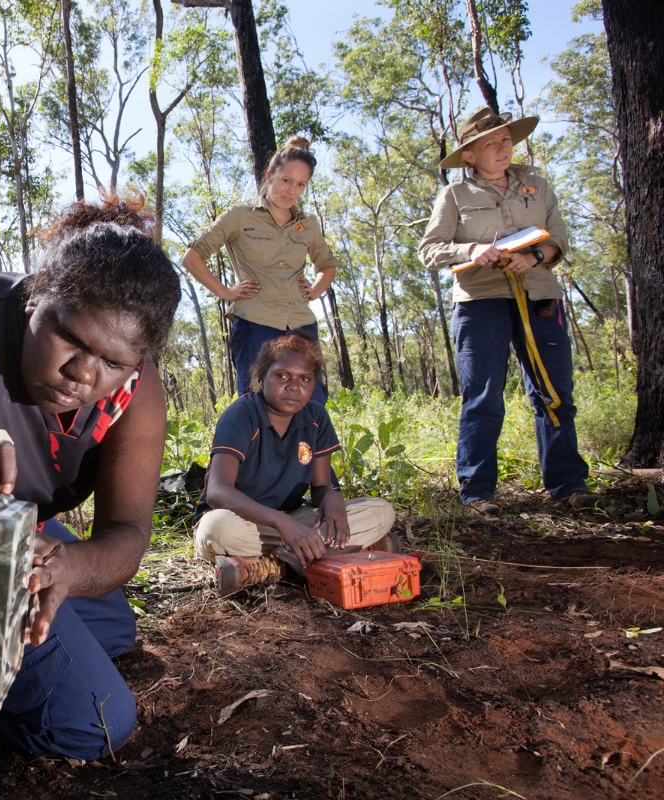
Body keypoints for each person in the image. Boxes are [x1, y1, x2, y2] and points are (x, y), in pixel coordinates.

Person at [0, 190, 182, 761]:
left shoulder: (135, 393)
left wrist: (67, 570)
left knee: (114, 623)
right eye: (69, 337)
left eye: (113, 362)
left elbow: (128, 535)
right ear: (35, 297)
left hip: (14, 545)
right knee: (99, 724)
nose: (82, 374)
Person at [418, 107, 599, 517]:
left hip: (538, 295)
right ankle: (477, 491)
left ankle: (568, 483)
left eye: (506, 140)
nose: (503, 148)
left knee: (554, 392)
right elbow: (429, 250)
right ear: (469, 155)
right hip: (480, 302)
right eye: (491, 144)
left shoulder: (535, 184)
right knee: (483, 396)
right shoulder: (455, 196)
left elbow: (558, 237)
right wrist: (472, 250)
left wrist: (536, 255)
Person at [192, 331, 396, 596]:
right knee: (216, 529)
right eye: (282, 376)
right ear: (261, 376)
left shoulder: (315, 416)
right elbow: (218, 492)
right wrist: (282, 524)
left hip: (291, 520)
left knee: (382, 510)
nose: (293, 386)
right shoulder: (242, 414)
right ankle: (333, 553)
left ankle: (271, 566)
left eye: (305, 379)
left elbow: (321, 485)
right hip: (242, 522)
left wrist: (331, 497)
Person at [181, 136, 340, 402]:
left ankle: (304, 447)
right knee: (254, 402)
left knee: (311, 403)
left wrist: (314, 290)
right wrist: (226, 292)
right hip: (256, 324)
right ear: (270, 176)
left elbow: (328, 265)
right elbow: (192, 257)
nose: (291, 190)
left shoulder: (308, 224)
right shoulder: (239, 216)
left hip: (301, 325)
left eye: (301, 184)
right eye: (286, 180)